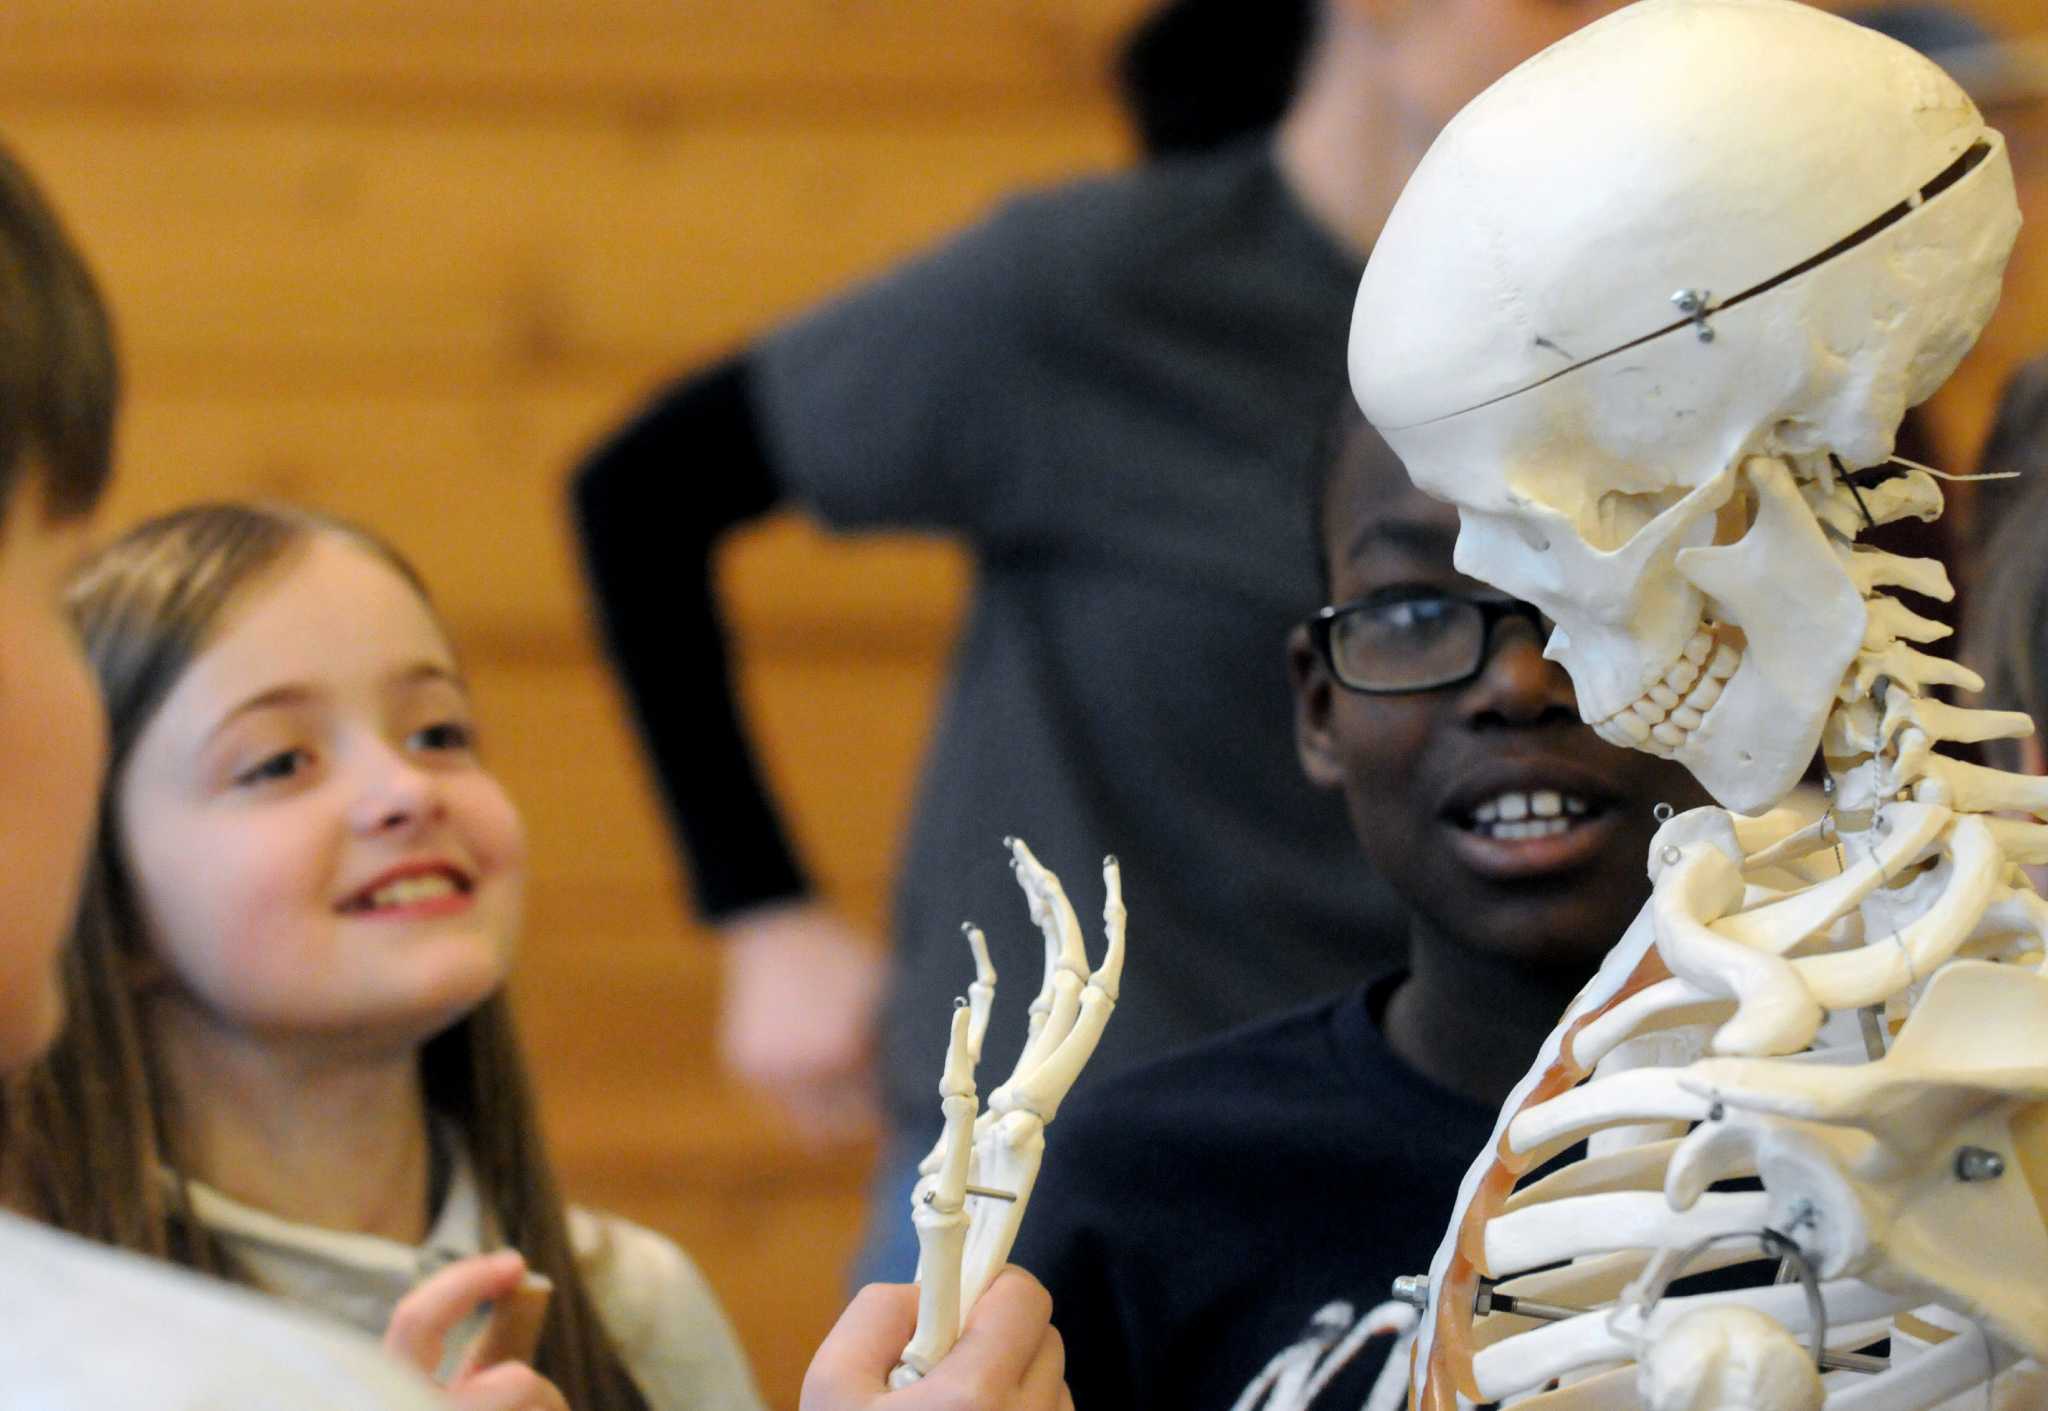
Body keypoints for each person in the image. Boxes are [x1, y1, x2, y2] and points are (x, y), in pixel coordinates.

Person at [0, 136, 1067, 1411]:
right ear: (102, 897)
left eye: (439, 731)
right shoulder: (71, 1340)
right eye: (278, 761)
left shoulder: (634, 1304)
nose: (403, 792)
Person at [569, 0, 1631, 1281]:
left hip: (1452, 1165)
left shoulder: (1629, 334)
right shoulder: (1090, 290)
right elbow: (642, 493)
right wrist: (761, 917)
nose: (1627, 35)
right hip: (1046, 1183)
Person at [1008, 402, 1712, 1410]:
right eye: (1415, 611)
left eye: (1607, 591)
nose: (1517, 682)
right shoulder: (1145, 1188)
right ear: (1316, 706)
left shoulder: (1914, 1136)